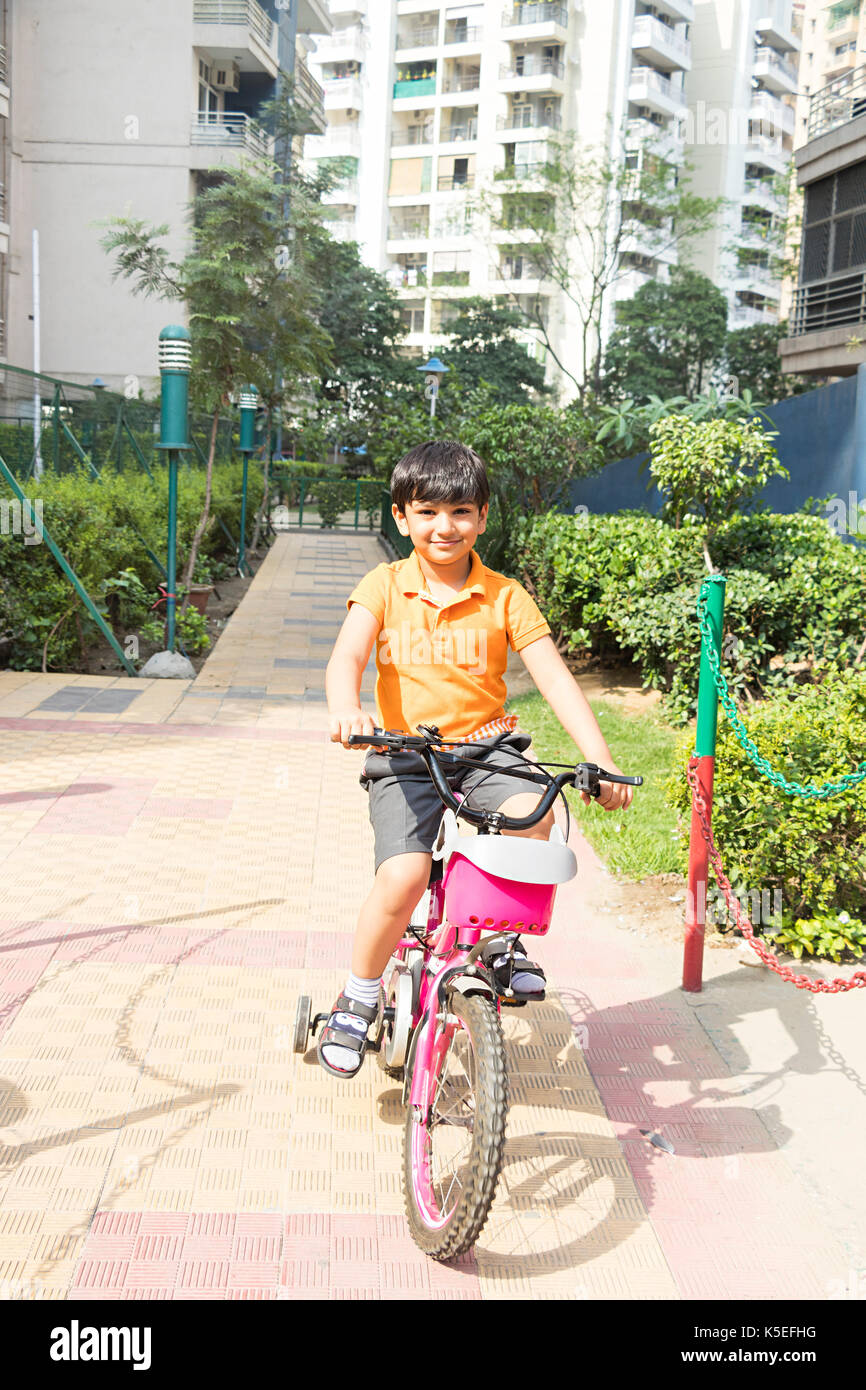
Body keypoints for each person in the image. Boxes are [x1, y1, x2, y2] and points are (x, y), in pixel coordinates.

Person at [320, 440, 634, 1076]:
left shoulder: (504, 595)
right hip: (404, 755)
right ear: (401, 518)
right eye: (428, 512)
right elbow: (347, 657)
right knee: (404, 878)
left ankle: (496, 939)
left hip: (488, 748)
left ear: (483, 517)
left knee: (532, 817)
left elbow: (554, 678)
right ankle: (356, 1000)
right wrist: (347, 708)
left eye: (461, 511)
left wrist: (598, 759)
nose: (445, 527)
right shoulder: (383, 586)